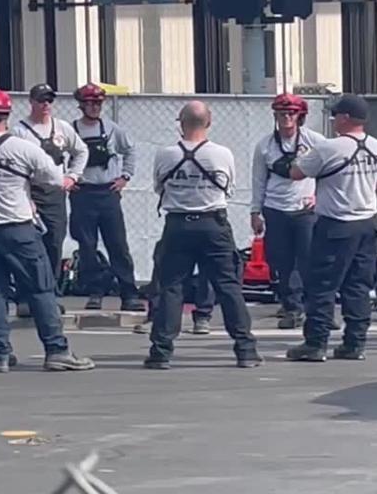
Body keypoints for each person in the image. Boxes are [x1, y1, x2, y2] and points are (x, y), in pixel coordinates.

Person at [0, 89, 94, 373]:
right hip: (18, 229)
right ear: (7, 115)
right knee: (40, 289)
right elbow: (54, 180)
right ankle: (56, 349)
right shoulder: (23, 148)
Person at [147, 101, 261, 370]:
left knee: (171, 287)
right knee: (228, 286)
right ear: (208, 122)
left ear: (181, 122)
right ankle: (245, 349)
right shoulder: (222, 154)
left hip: (177, 225)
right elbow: (229, 188)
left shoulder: (165, 154)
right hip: (213, 224)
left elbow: (157, 186)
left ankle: (161, 351)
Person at [286, 95, 377, 362]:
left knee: (322, 284)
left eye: (336, 116)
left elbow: (296, 173)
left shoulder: (329, 148)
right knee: (358, 286)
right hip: (366, 225)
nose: (333, 120)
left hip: (335, 224)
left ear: (345, 118)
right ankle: (355, 343)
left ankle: (316, 343)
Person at [11, 83, 87, 315]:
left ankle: (50, 294)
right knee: (29, 245)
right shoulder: (20, 131)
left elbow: (81, 151)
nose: (46, 105)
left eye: (49, 101)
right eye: (41, 100)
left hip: (55, 194)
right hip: (31, 193)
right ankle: (25, 296)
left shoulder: (62, 128)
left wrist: (72, 176)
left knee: (54, 243)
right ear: (31, 102)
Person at [68, 83, 144, 312]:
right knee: (87, 246)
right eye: (90, 102)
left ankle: (129, 292)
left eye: (98, 103)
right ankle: (95, 291)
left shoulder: (112, 129)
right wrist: (67, 179)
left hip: (107, 193)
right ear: (81, 105)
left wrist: (125, 177)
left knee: (118, 244)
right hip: (83, 193)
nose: (94, 107)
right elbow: (57, 155)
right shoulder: (70, 131)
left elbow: (130, 150)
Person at [250, 92, 322, 330]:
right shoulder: (265, 146)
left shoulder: (315, 141)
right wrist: (255, 212)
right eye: (281, 114)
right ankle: (292, 308)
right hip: (276, 209)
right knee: (282, 262)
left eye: (291, 113)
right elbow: (259, 180)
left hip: (305, 210)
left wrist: (318, 196)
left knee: (310, 260)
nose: (286, 118)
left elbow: (330, 171)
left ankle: (318, 309)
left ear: (300, 116)